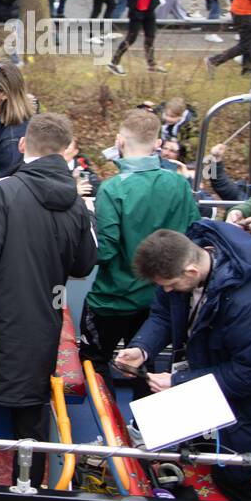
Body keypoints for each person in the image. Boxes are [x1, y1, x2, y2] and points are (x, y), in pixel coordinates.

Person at [0, 113, 97, 485]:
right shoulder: (77, 205)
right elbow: (83, 265)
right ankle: (29, 488)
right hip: (45, 323)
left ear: (21, 145)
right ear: (66, 151)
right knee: (32, 412)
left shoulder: (1, 191)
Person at [116, 225, 251, 501]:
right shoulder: (182, 266)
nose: (167, 290)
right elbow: (163, 314)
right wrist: (142, 348)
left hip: (248, 405)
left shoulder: (247, 303)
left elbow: (250, 373)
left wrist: (178, 382)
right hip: (210, 379)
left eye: (170, 285)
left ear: (192, 272)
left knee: (234, 476)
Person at [80, 110, 198, 394]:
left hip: (112, 298)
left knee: (94, 362)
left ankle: (108, 428)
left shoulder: (112, 189)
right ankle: (143, 430)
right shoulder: (179, 185)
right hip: (162, 296)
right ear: (158, 143)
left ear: (119, 141)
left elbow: (106, 251)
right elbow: (195, 233)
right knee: (145, 363)